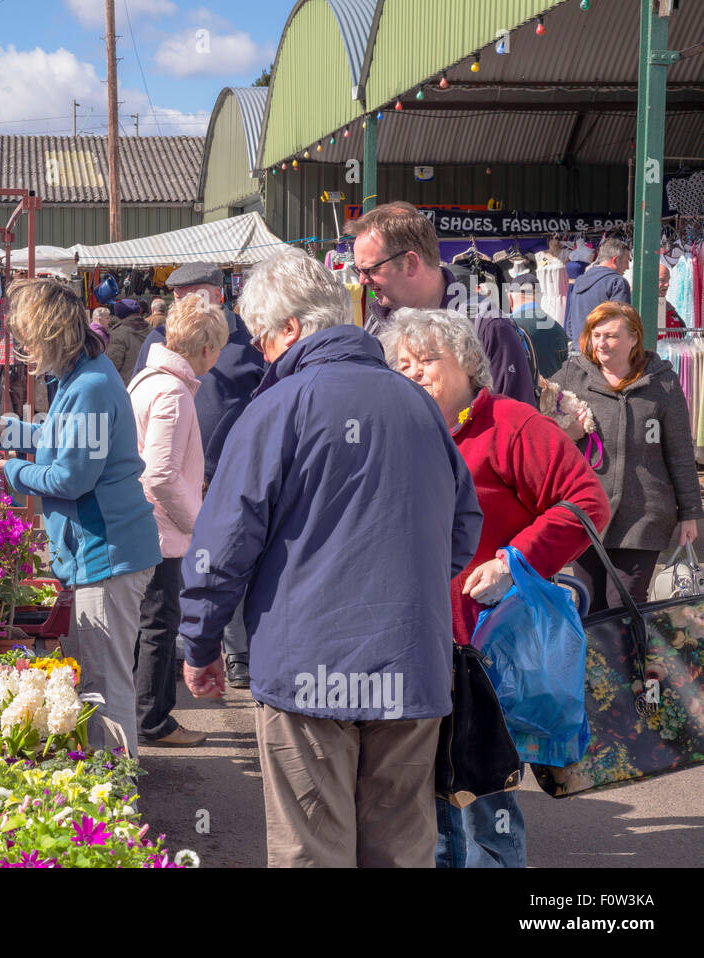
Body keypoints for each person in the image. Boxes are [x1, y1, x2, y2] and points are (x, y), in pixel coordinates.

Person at [178, 248, 483, 868]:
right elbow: (462, 528)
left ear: (290, 329)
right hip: (409, 667)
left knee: (312, 851)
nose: (262, 353)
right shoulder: (419, 405)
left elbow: (222, 546)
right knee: (401, 849)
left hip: (307, 670)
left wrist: (200, 643)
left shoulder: (275, 407)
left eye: (263, 339)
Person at [379, 308, 610, 869]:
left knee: (482, 792)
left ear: (467, 363)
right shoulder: (399, 428)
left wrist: (515, 560)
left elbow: (587, 503)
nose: (413, 373)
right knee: (424, 789)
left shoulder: (512, 423)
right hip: (412, 640)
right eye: (402, 363)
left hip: (483, 644)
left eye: (427, 360)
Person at [0, 279, 161, 756]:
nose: (26, 350)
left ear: (50, 334)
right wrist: (8, 428)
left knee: (105, 685)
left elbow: (72, 478)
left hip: (107, 553)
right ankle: (106, 791)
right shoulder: (84, 377)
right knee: (93, 680)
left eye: (29, 339)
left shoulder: (91, 385)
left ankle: (118, 799)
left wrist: (12, 469)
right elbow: (66, 438)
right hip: (100, 552)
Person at [132, 262, 266, 689]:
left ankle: (236, 651)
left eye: (193, 294)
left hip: (232, 469)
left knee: (232, 561)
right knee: (180, 568)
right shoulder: (159, 342)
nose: (183, 304)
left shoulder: (247, 340)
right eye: (177, 296)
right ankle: (179, 649)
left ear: (218, 294)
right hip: (180, 475)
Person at [551, 302, 703, 611]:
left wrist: (689, 512)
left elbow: (680, 451)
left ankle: (628, 660)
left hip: (643, 516)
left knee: (625, 605)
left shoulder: (662, 382)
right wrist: (567, 433)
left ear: (633, 338)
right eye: (596, 335)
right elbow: (537, 428)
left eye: (611, 335)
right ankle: (594, 662)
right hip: (585, 512)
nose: (601, 344)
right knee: (590, 605)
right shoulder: (572, 376)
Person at [127, 294, 229, 748]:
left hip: (148, 527)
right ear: (206, 348)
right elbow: (161, 473)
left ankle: (145, 717)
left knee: (151, 625)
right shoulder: (171, 390)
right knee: (159, 627)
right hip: (162, 532)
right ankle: (154, 722)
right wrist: (198, 524)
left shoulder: (150, 381)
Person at [347, 201, 535, 406]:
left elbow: (517, 427)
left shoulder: (486, 326)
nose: (362, 281)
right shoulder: (377, 324)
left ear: (410, 263)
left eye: (371, 270)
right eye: (359, 271)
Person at [563, 238, 631, 344]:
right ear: (615, 260)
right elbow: (619, 323)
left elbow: (570, 325)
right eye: (627, 261)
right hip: (604, 351)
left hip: (581, 350)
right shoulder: (617, 282)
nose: (628, 267)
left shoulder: (579, 280)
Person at [507, 273, 570, 379]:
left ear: (510, 298)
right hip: (553, 392)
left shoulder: (507, 327)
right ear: (540, 297)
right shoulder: (559, 329)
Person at [106, 298, 150, 384]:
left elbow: (112, 366)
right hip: (149, 383)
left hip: (127, 387)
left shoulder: (119, 334)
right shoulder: (151, 330)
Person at [661, 263, 686, 331]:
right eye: (662, 280)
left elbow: (683, 329)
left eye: (668, 280)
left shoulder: (667, 307)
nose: (667, 284)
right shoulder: (642, 306)